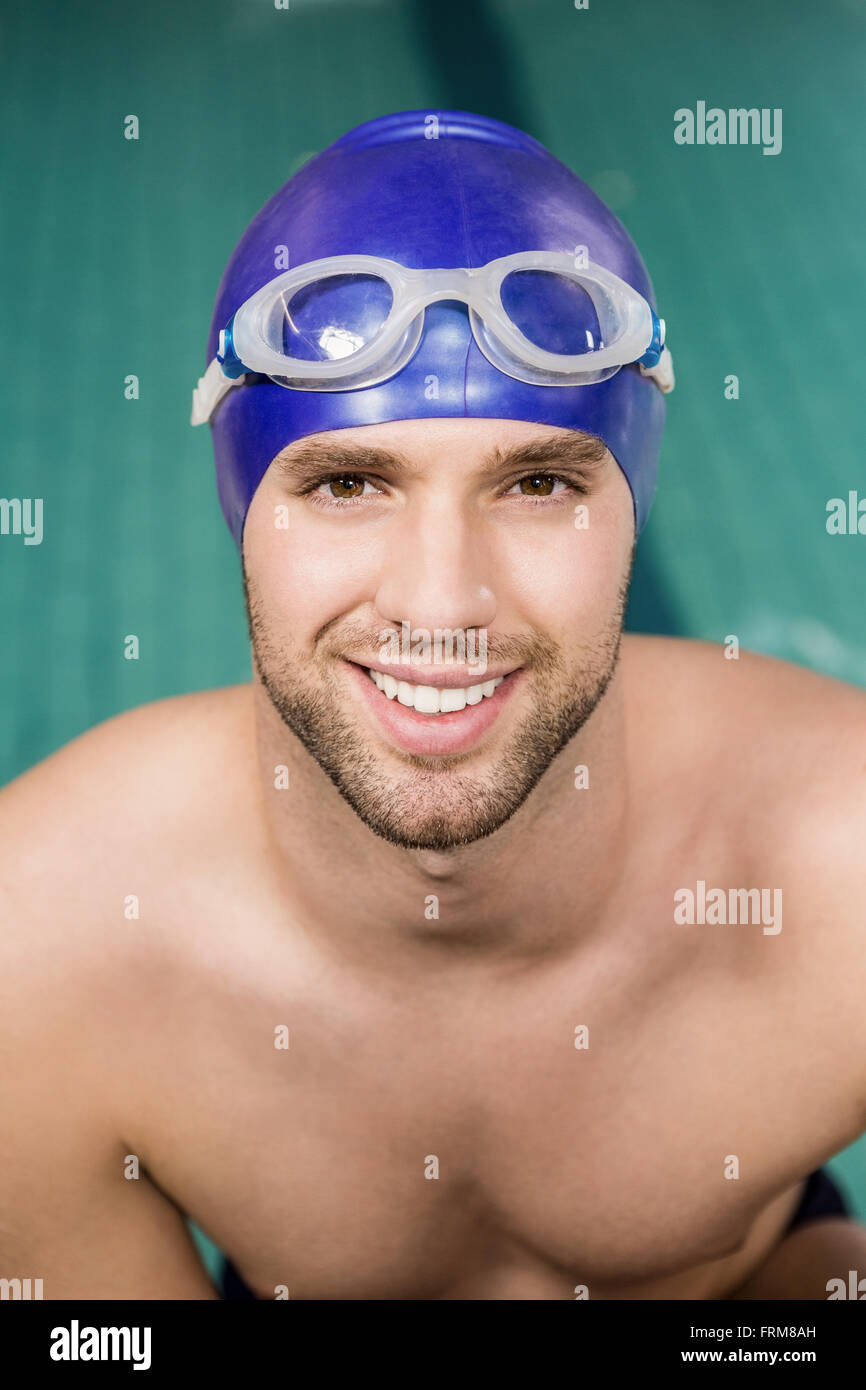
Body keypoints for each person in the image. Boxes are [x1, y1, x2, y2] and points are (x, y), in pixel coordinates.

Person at [2, 110, 865, 1302]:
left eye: (538, 482)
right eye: (347, 481)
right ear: (243, 515)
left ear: (631, 508)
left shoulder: (841, 858)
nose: (440, 597)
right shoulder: (39, 940)